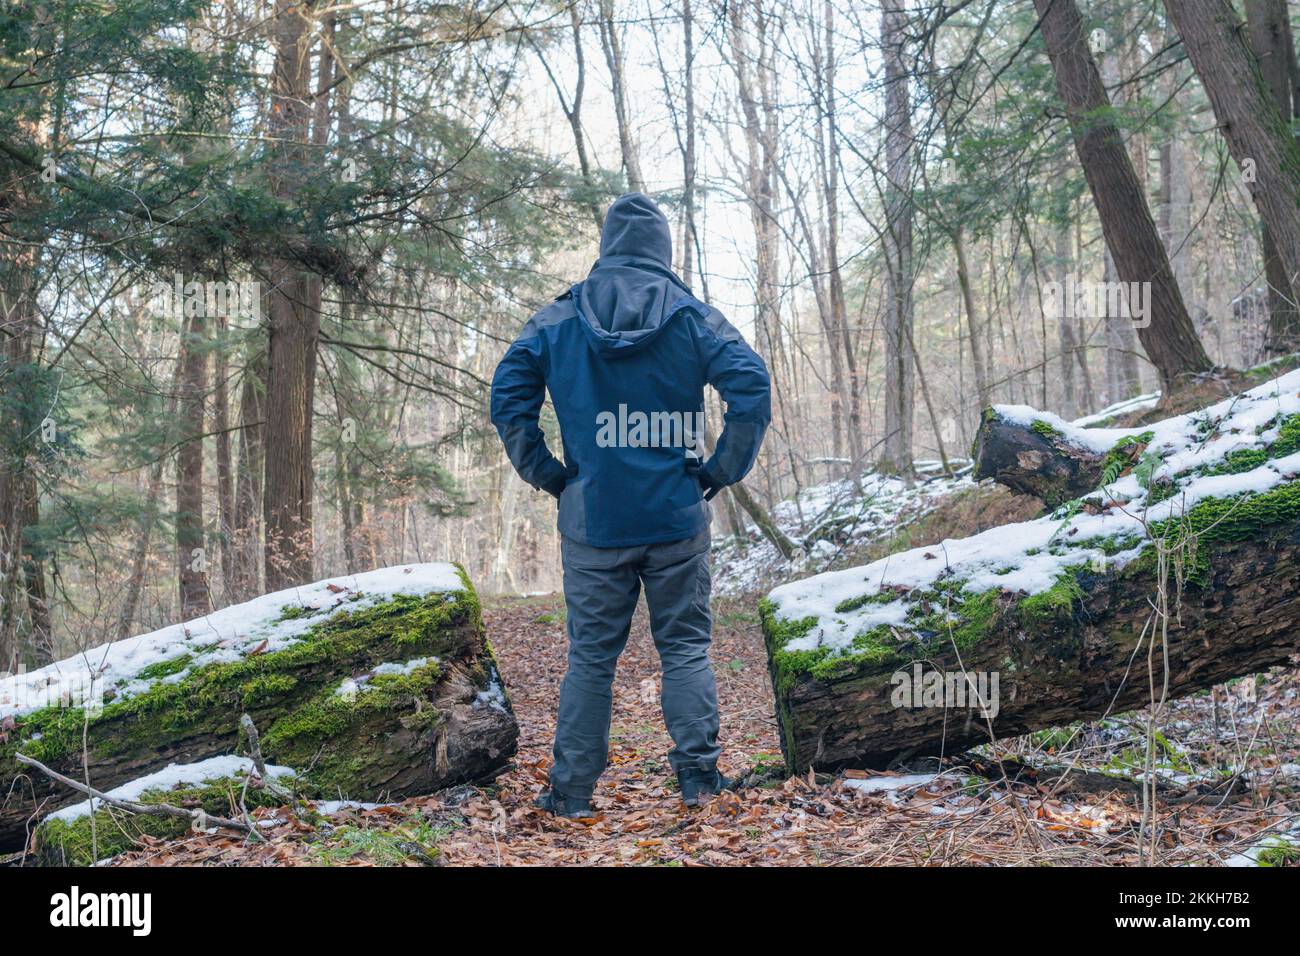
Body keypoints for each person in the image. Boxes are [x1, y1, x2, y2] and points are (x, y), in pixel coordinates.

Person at [490, 192, 771, 817]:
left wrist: (553, 476)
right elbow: (750, 388)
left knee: (591, 659)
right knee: (686, 650)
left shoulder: (559, 319)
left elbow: (508, 394)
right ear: (663, 251)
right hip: (675, 515)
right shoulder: (693, 318)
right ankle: (699, 782)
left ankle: (571, 795)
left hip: (594, 521)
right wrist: (719, 472)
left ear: (608, 247)